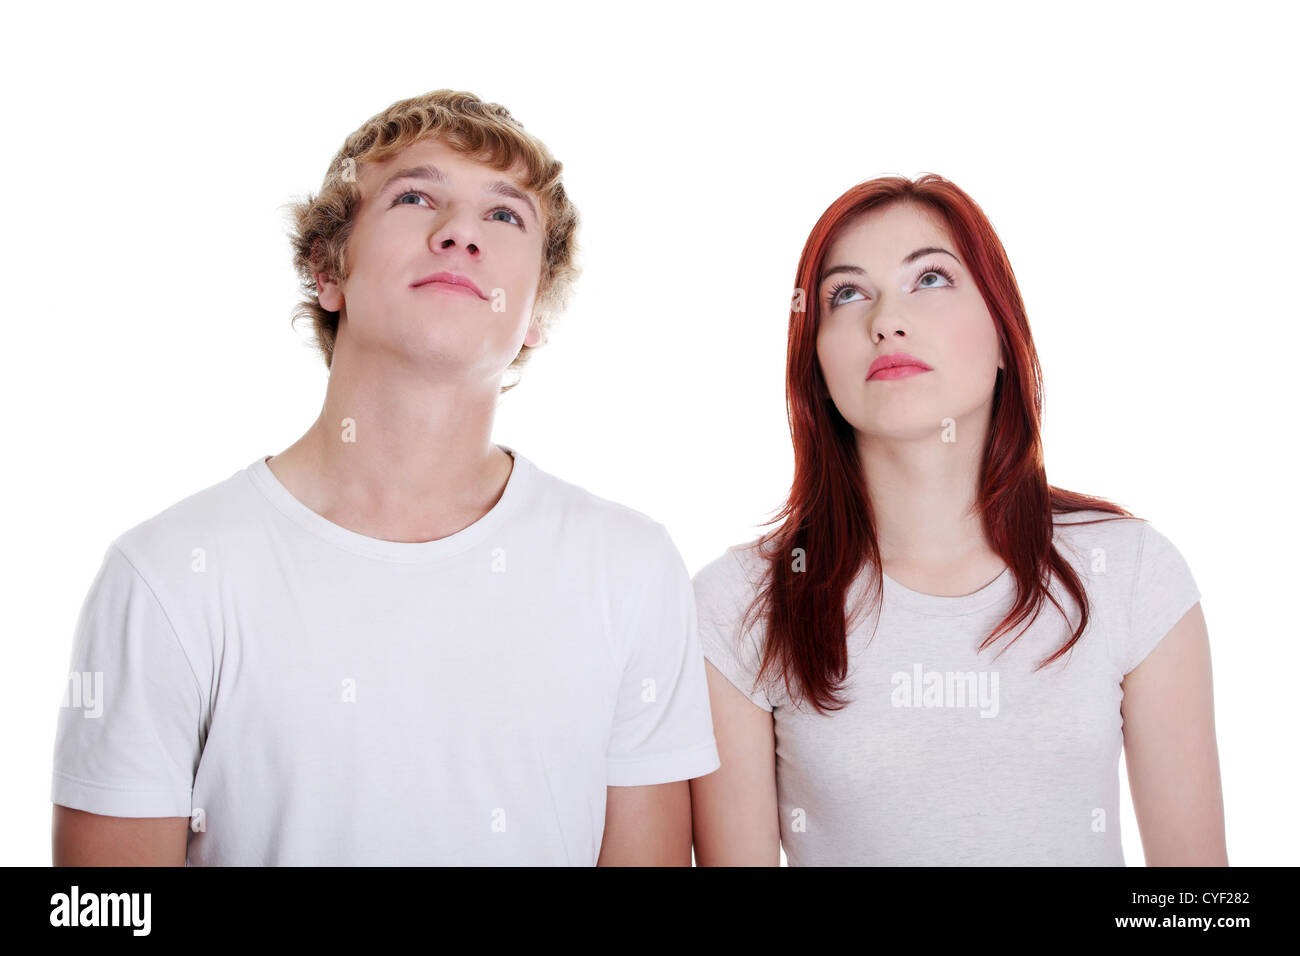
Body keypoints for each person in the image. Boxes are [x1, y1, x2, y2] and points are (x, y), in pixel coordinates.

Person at [51, 89, 719, 866]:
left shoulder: (631, 569)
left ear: (535, 311)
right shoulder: (167, 575)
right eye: (415, 196)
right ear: (328, 271)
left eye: (505, 216)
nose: (460, 232)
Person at [688, 175, 1227, 866]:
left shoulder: (1132, 573)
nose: (885, 318)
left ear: (1005, 338)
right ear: (817, 365)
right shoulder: (734, 606)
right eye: (845, 294)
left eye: (931, 278)